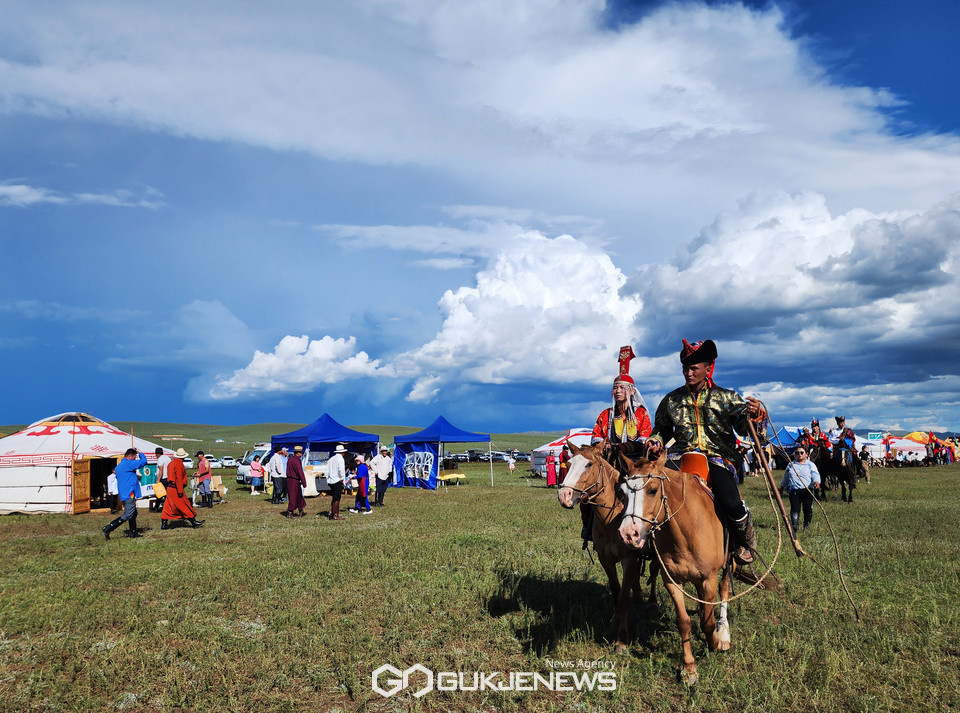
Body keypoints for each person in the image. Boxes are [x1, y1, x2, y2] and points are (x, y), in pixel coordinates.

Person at [645, 339, 767, 565]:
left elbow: (746, 428)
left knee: (730, 502)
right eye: (685, 369)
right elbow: (661, 429)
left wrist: (757, 415)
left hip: (719, 458)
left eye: (693, 368)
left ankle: (744, 540)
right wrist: (655, 441)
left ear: (708, 369)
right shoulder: (671, 400)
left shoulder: (727, 398)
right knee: (651, 488)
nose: (688, 373)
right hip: (680, 456)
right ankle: (647, 540)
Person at [101, 448, 147, 540]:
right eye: (134, 458)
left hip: (124, 493)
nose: (134, 460)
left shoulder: (119, 466)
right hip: (129, 493)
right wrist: (141, 453)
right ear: (130, 456)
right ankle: (108, 528)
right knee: (128, 514)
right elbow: (143, 462)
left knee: (133, 513)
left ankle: (133, 532)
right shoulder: (128, 464)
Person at [779, 446, 821, 536]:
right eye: (797, 453)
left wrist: (817, 481)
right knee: (795, 509)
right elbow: (786, 477)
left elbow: (815, 474)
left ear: (806, 454)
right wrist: (782, 487)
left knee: (807, 509)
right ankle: (794, 527)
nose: (799, 455)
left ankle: (806, 527)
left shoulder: (811, 465)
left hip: (807, 491)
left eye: (802, 453)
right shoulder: (791, 465)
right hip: (794, 491)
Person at [160, 448, 204, 529]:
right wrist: (180, 491)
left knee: (168, 506)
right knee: (184, 505)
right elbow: (178, 478)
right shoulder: (179, 464)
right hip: (176, 488)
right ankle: (193, 522)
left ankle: (164, 524)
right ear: (183, 457)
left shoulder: (171, 463)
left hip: (170, 488)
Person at [325, 444, 347, 520]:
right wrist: (342, 479)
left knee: (334, 497)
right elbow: (341, 470)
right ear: (342, 452)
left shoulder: (331, 459)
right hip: (337, 480)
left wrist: (327, 479)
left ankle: (331, 513)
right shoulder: (340, 459)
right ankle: (335, 515)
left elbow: (327, 470)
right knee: (337, 498)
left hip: (331, 480)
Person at [285, 446, 307, 518]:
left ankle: (301, 510)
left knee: (298, 496)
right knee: (293, 496)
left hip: (290, 480)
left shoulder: (290, 460)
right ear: (299, 453)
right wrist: (304, 482)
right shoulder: (296, 461)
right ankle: (290, 512)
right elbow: (300, 472)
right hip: (294, 480)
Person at [154, 447, 171, 511]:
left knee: (160, 493)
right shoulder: (167, 458)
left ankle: (156, 507)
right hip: (168, 477)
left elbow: (161, 469)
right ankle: (167, 507)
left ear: (157, 454)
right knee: (167, 493)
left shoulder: (160, 459)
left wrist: (158, 479)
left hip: (163, 478)